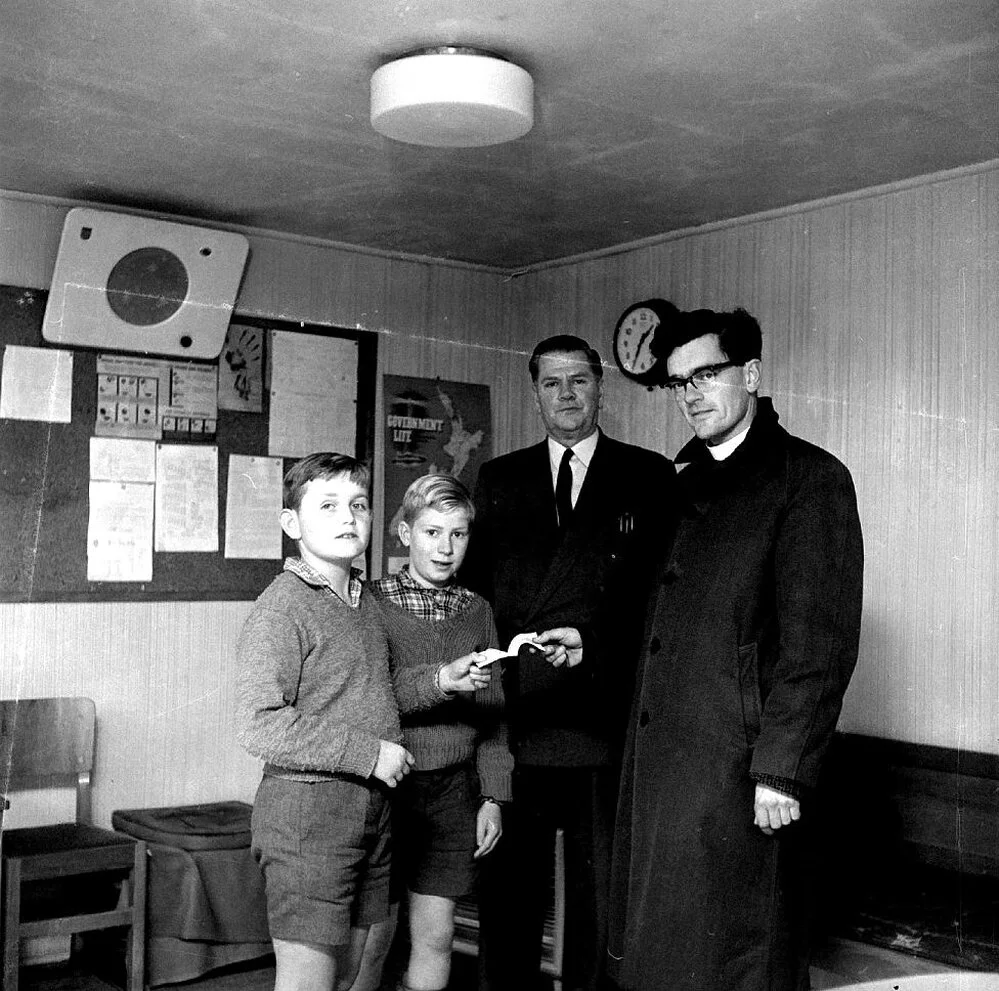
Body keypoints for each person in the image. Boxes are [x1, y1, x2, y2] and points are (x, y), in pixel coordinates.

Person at [607, 308, 864, 991]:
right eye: (677, 382)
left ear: (749, 374)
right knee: (664, 960)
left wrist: (781, 766)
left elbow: (819, 641)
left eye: (707, 374)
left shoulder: (808, 478)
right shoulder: (677, 482)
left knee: (738, 959)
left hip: (739, 767)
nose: (691, 393)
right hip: (664, 763)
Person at [462, 335, 677, 991]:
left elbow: (663, 602)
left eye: (578, 381)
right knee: (509, 897)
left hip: (603, 723)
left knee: (598, 900)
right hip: (518, 725)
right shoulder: (499, 477)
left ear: (600, 387)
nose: (565, 395)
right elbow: (475, 598)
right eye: (551, 382)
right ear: (534, 392)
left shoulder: (647, 474)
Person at [235, 452, 415, 991]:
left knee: (361, 969)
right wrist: (370, 755)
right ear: (292, 524)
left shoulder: (365, 600)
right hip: (307, 815)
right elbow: (260, 723)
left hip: (373, 807)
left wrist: (442, 680)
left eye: (358, 505)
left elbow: (373, 692)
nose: (347, 518)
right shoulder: (282, 608)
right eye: (329, 505)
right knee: (311, 978)